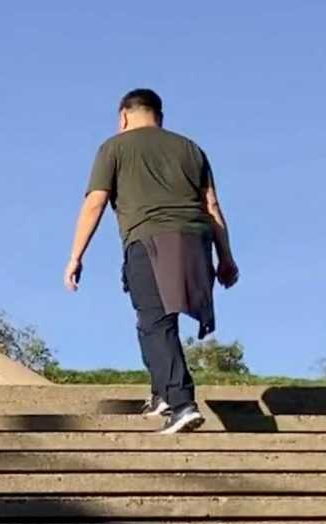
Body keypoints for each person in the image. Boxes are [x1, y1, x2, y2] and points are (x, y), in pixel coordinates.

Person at [64, 88, 239, 435]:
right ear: (160, 116)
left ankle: (182, 403)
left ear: (123, 117)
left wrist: (75, 256)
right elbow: (212, 206)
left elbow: (95, 202)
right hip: (196, 240)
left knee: (155, 322)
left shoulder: (114, 147)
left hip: (149, 239)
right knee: (159, 319)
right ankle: (161, 393)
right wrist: (226, 257)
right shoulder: (191, 149)